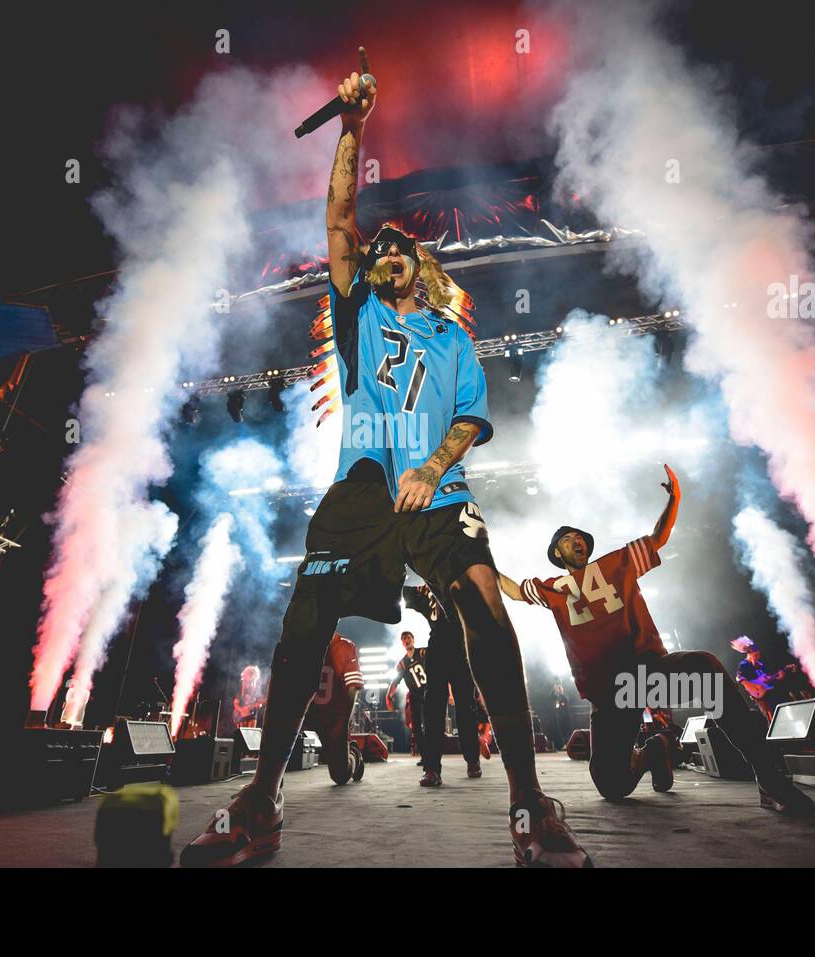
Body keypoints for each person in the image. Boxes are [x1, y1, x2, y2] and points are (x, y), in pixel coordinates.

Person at [181, 57, 591, 868]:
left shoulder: (453, 337)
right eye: (383, 245)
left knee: (485, 607)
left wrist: (430, 465)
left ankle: (526, 800)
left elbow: (472, 419)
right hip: (360, 493)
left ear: (422, 267)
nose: (389, 247)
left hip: (439, 495)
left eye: (403, 244)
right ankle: (261, 802)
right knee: (303, 629)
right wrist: (352, 127)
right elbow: (339, 219)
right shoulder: (359, 312)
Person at [497, 464, 815, 818]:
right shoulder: (552, 588)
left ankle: (769, 778)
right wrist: (477, 561)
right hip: (608, 696)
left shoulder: (616, 563)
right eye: (569, 538)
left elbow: (658, 537)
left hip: (644, 675)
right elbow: (512, 590)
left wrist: (674, 499)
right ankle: (655, 749)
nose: (577, 540)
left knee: (704, 665)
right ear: (557, 552)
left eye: (580, 537)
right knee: (612, 787)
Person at [403, 584, 484, 786]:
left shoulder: (461, 580)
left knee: (465, 706)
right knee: (433, 709)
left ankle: (472, 758)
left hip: (460, 645)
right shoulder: (427, 589)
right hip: (437, 647)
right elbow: (401, 589)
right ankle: (432, 768)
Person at [304, 631, 366, 784]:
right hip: (311, 713)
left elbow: (353, 686)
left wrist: (344, 720)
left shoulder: (345, 645)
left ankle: (353, 753)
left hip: (334, 716)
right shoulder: (306, 644)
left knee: (340, 776)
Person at [731, 637, 810, 722]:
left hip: (770, 693)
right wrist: (756, 686)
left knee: (783, 712)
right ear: (750, 653)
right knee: (772, 719)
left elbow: (767, 681)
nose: (757, 657)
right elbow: (740, 679)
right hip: (761, 697)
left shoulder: (760, 665)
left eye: (758, 654)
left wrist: (779, 678)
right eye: (755, 655)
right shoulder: (744, 665)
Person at [385, 631, 429, 759]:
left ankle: (431, 755)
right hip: (415, 696)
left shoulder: (422, 652)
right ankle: (424, 757)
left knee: (429, 725)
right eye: (404, 638)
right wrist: (389, 696)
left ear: (413, 640)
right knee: (416, 728)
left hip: (428, 692)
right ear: (402, 643)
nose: (406, 640)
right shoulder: (402, 663)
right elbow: (395, 681)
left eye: (408, 637)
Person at [550, 679, 572, 751]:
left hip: (565, 716)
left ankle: (567, 744)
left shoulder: (564, 696)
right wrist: (554, 689)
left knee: (566, 730)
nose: (558, 690)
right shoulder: (556, 696)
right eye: (557, 688)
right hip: (559, 716)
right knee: (560, 731)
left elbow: (566, 701)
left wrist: (560, 695)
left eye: (559, 688)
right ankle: (562, 744)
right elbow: (551, 696)